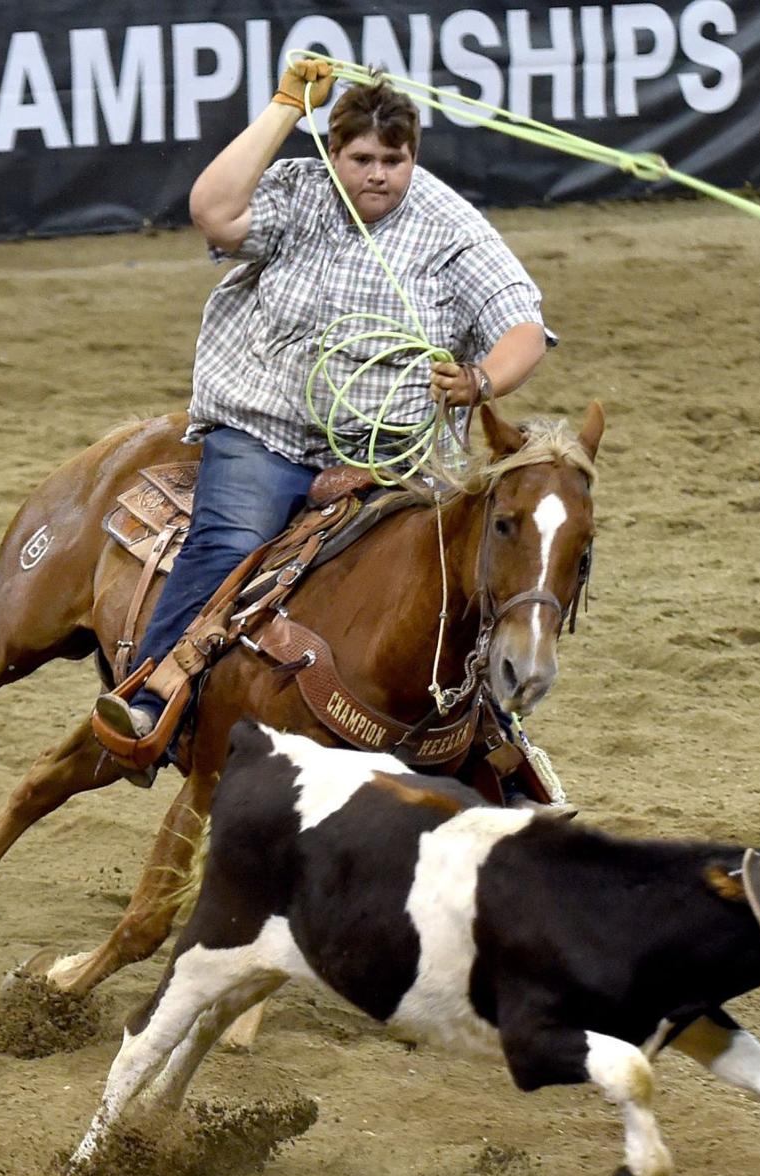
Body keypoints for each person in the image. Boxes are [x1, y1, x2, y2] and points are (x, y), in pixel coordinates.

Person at [95, 59, 551, 778]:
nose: (377, 174)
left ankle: (493, 730)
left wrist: (480, 379)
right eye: (361, 158)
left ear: (414, 158)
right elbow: (213, 211)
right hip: (264, 432)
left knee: (442, 572)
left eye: (392, 161)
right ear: (332, 153)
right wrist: (285, 108)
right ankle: (155, 695)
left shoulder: (448, 225)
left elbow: (523, 325)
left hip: (391, 453)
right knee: (230, 542)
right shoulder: (297, 190)